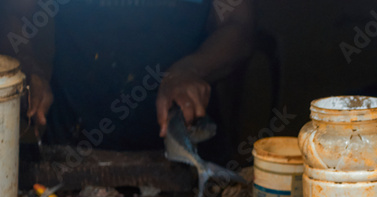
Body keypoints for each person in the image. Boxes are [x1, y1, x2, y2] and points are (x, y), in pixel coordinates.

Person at [1, 0, 254, 152]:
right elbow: (15, 14)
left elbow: (238, 24)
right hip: (75, 152)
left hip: (187, 155)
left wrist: (193, 69)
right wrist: (28, 71)